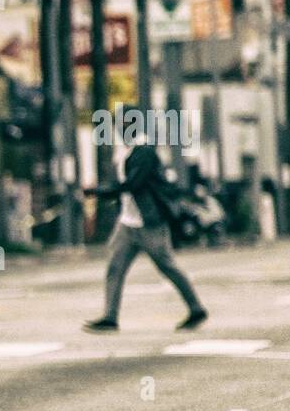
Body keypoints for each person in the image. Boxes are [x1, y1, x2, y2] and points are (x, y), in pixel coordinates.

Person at [84, 131, 208, 333]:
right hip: (127, 222)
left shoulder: (144, 152)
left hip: (149, 223)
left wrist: (100, 191)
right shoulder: (125, 151)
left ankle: (196, 309)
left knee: (167, 266)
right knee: (115, 267)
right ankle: (110, 317)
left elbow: (134, 183)